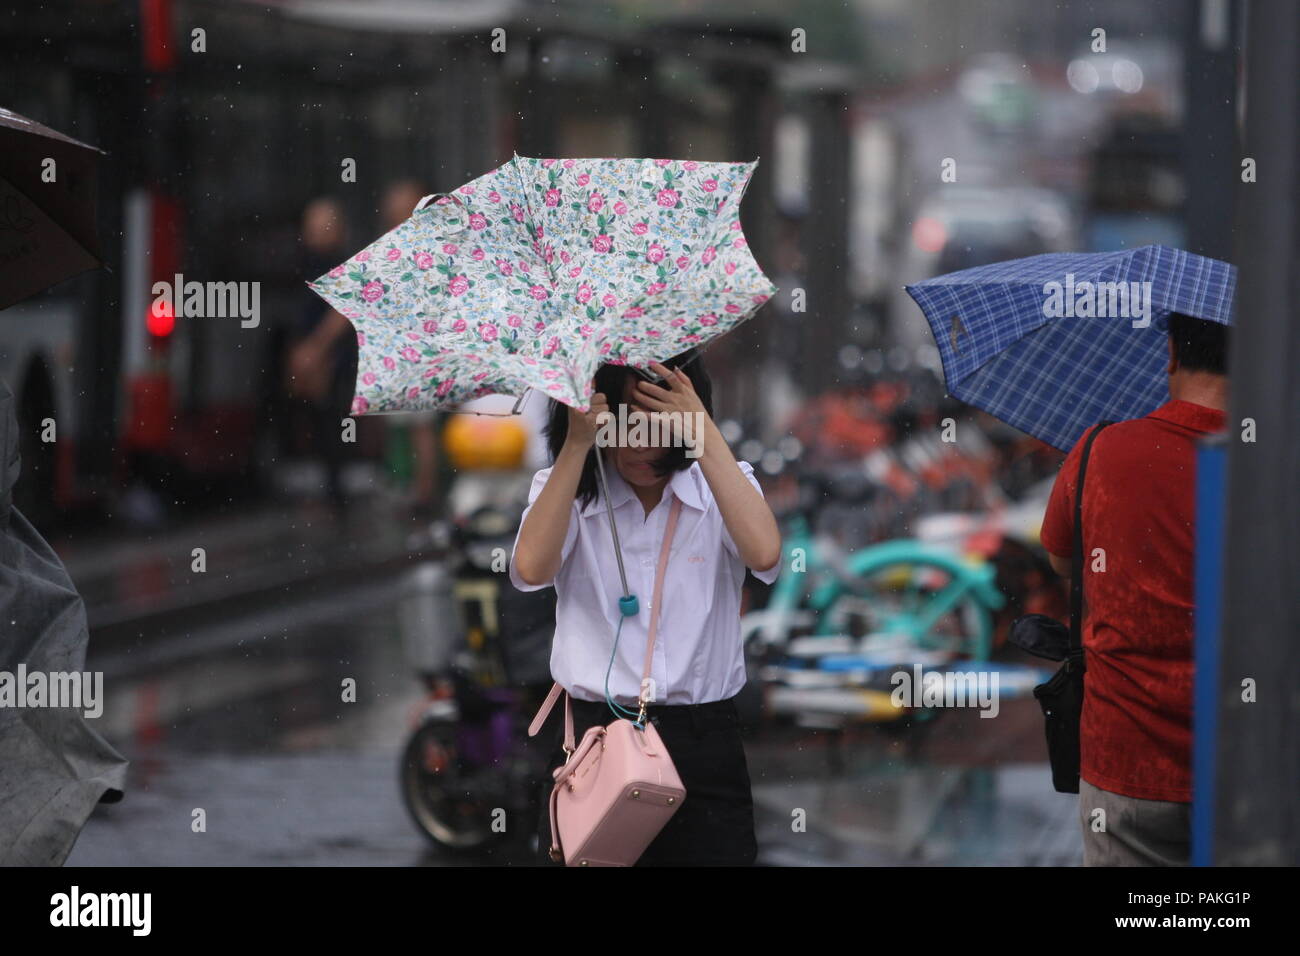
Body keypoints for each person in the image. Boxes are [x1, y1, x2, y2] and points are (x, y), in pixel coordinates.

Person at [509, 353, 782, 866]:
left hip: (703, 743)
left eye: (655, 420)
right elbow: (530, 570)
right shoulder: (567, 491)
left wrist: (704, 432)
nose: (637, 442)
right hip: (597, 744)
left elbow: (765, 554)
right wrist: (575, 444)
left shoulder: (719, 485)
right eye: (621, 421)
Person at [1040, 311, 1230, 866]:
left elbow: (1060, 557)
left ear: (1170, 353)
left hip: (1127, 763)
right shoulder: (1278, 460)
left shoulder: (1102, 450)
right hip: (1251, 766)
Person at [288, 197, 357, 512]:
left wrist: (316, 348)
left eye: (324, 225)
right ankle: (329, 486)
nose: (317, 233)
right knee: (316, 420)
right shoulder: (304, 264)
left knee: (333, 421)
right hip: (311, 352)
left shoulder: (341, 264)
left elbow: (340, 313)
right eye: (312, 226)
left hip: (335, 357)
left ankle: (336, 491)